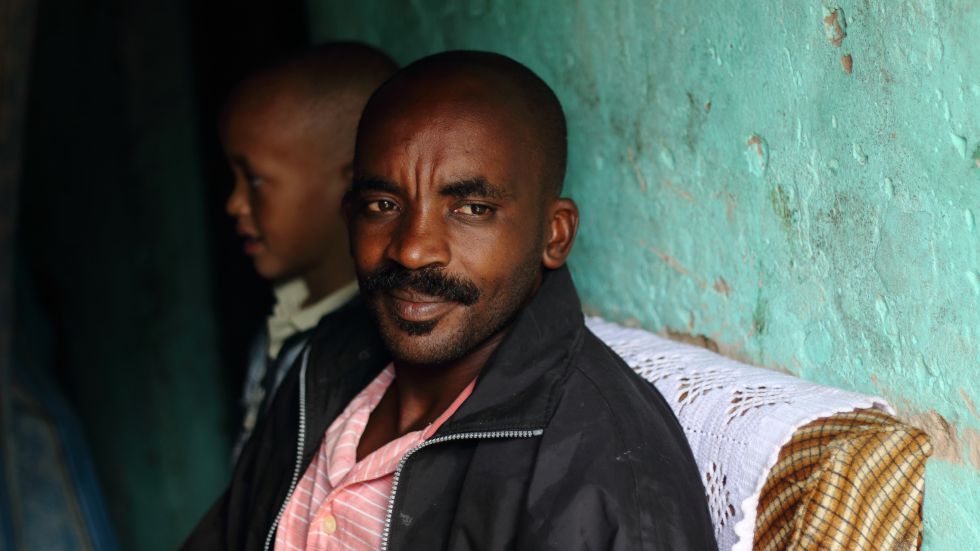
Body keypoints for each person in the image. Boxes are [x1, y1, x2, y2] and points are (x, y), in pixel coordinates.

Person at [184, 50, 716, 550]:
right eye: (383, 203)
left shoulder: (602, 474)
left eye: (471, 209)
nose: (413, 250)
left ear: (554, 235)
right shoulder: (327, 364)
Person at [219, 42, 397, 459]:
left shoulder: (376, 355)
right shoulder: (283, 326)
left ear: (353, 186)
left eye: (256, 181)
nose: (234, 204)